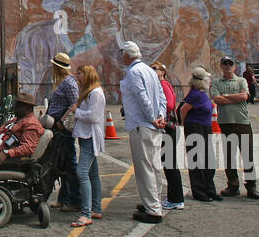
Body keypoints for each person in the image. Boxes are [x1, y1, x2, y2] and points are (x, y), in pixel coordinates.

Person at [117, 43, 167, 223]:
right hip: (153, 125)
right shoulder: (150, 70)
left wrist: (152, 117)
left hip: (142, 124)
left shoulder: (134, 72)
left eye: (122, 53)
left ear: (127, 55)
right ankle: (154, 202)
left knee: (144, 167)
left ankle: (153, 209)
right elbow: (161, 95)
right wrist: (160, 116)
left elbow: (142, 96)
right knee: (154, 166)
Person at [213, 56, 258, 198]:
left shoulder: (241, 80)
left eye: (230, 64)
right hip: (225, 123)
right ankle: (232, 184)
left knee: (247, 155)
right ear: (221, 66)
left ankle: (251, 186)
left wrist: (226, 96)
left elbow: (244, 97)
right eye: (225, 64)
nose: (227, 66)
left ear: (234, 67)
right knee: (229, 156)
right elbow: (216, 99)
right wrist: (234, 97)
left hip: (241, 122)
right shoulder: (216, 82)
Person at [178, 67, 222, 203]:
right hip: (195, 127)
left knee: (208, 160)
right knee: (197, 159)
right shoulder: (196, 94)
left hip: (205, 126)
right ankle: (199, 190)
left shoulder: (200, 93)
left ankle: (209, 188)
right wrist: (186, 124)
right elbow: (183, 110)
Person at [70, 65, 106, 226]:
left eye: (80, 73)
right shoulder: (89, 93)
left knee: (82, 172)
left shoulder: (96, 93)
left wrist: (76, 111)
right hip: (85, 135)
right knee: (92, 173)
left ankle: (86, 213)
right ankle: (96, 208)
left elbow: (93, 116)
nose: (78, 76)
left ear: (88, 74)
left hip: (90, 136)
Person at [46, 52, 81, 213]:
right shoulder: (60, 82)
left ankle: (74, 199)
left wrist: (62, 121)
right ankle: (64, 198)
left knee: (70, 163)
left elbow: (74, 105)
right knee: (61, 164)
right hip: (55, 126)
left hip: (63, 129)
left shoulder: (68, 83)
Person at [150, 61, 185, 210]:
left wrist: (158, 113)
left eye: (155, 69)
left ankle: (176, 199)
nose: (152, 71)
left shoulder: (163, 85)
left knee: (170, 164)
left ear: (162, 72)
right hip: (168, 126)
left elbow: (169, 105)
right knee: (168, 163)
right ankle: (173, 197)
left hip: (168, 127)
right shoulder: (162, 84)